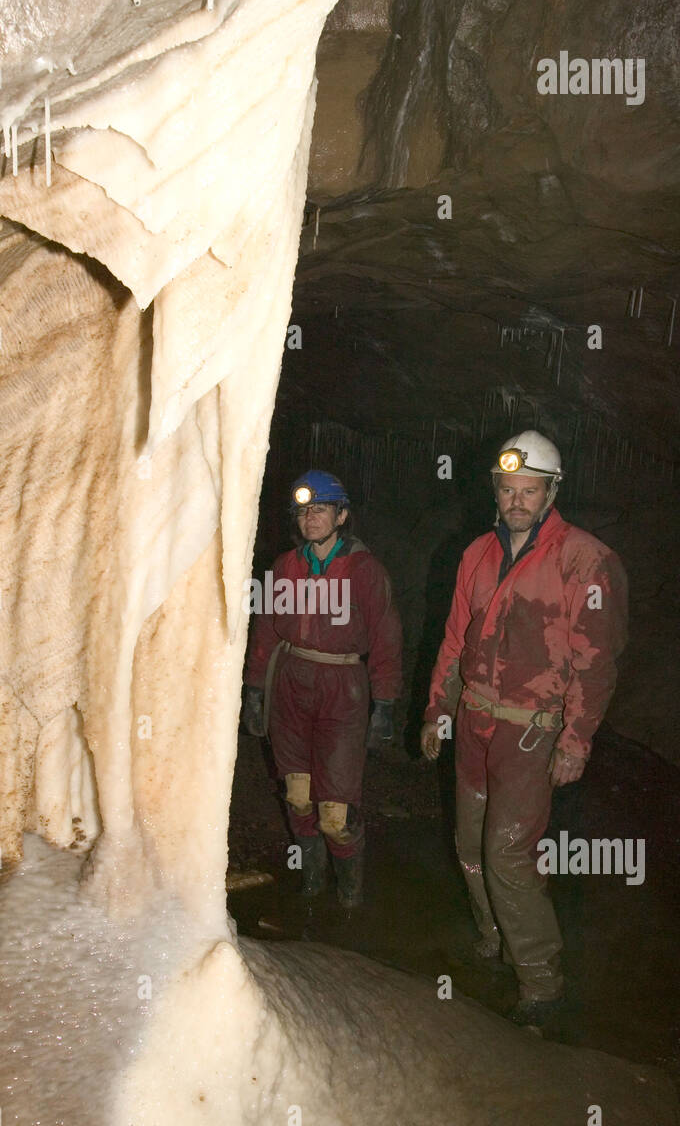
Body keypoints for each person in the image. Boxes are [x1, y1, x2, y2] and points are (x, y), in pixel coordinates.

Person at [420, 431, 628, 1026]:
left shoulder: (584, 560)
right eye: (507, 489)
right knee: (469, 845)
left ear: (551, 491)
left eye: (528, 490)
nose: (516, 500)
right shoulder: (477, 555)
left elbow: (595, 660)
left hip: (531, 732)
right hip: (476, 719)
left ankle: (541, 982)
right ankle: (496, 940)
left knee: (507, 853)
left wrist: (576, 740)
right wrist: (438, 708)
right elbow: (455, 640)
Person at [243, 470, 402, 913]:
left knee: (335, 811)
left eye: (321, 509)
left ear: (342, 515)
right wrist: (255, 691)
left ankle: (350, 893)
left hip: (342, 688)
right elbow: (267, 632)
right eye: (304, 510)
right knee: (297, 792)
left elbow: (386, 636)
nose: (311, 518)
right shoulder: (285, 567)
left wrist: (384, 703)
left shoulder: (364, 570)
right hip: (290, 683)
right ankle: (313, 879)